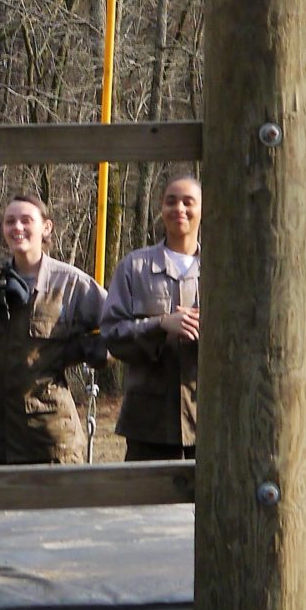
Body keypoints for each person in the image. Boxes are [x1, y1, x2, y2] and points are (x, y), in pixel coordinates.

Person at [0, 191, 105, 465]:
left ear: (46, 227)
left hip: (49, 436)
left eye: (26, 220)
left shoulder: (70, 283)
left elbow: (115, 331)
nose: (17, 228)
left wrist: (69, 353)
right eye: (10, 221)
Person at [97, 173, 202, 462]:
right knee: (144, 508)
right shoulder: (135, 266)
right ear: (160, 208)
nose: (179, 209)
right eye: (171, 201)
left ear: (203, 209)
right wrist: (160, 325)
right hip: (149, 424)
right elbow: (111, 334)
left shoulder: (223, 271)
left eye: (188, 202)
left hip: (210, 423)